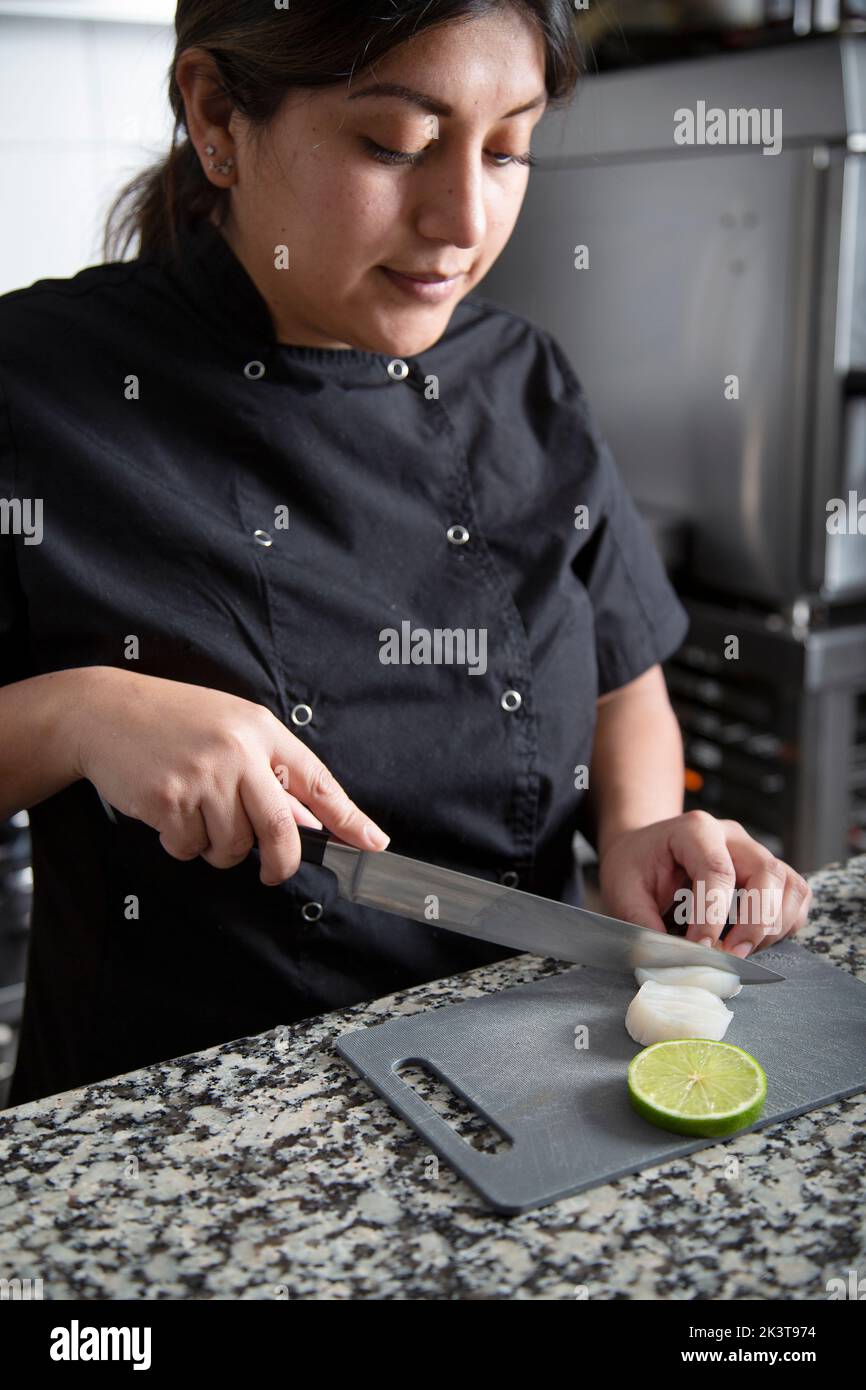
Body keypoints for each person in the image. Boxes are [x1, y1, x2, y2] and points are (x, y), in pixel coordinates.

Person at [0, 0, 811, 1107]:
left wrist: (643, 830)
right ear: (216, 113)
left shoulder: (524, 381)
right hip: (186, 1126)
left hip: (518, 1089)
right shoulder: (35, 388)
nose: (462, 218)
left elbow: (624, 680)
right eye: (394, 145)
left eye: (509, 147)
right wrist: (73, 715)